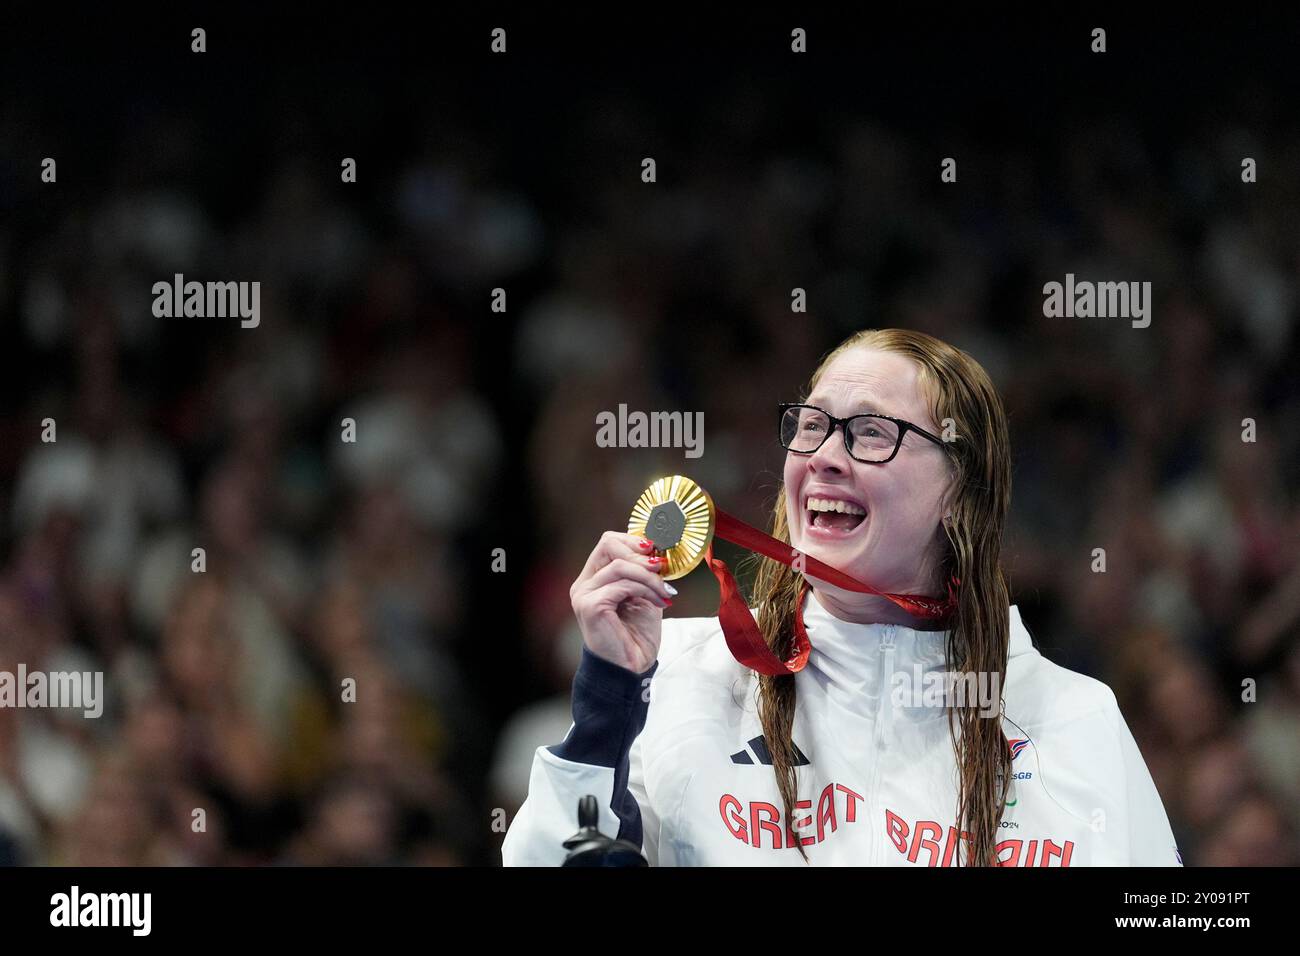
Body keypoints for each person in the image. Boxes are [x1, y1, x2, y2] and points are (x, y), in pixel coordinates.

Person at [502, 328, 1182, 866]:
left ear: (958, 492)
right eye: (811, 425)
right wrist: (607, 706)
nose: (825, 454)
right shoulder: (684, 676)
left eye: (871, 433)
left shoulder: (1069, 720)